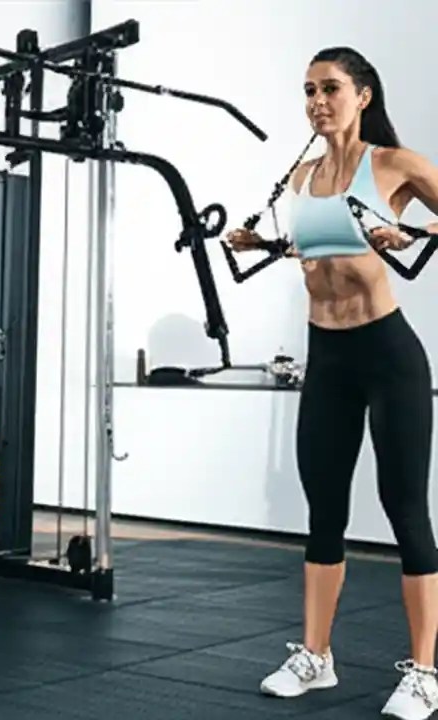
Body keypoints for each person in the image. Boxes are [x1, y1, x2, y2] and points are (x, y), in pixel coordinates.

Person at [226, 47, 438, 720]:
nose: (318, 101)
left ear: (363, 95)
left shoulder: (393, 166)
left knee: (404, 507)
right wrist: (257, 244)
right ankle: (316, 657)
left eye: (331, 88)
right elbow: (312, 250)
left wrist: (411, 231)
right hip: (329, 359)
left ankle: (426, 673)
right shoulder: (301, 174)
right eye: (309, 90)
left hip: (389, 355)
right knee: (324, 510)